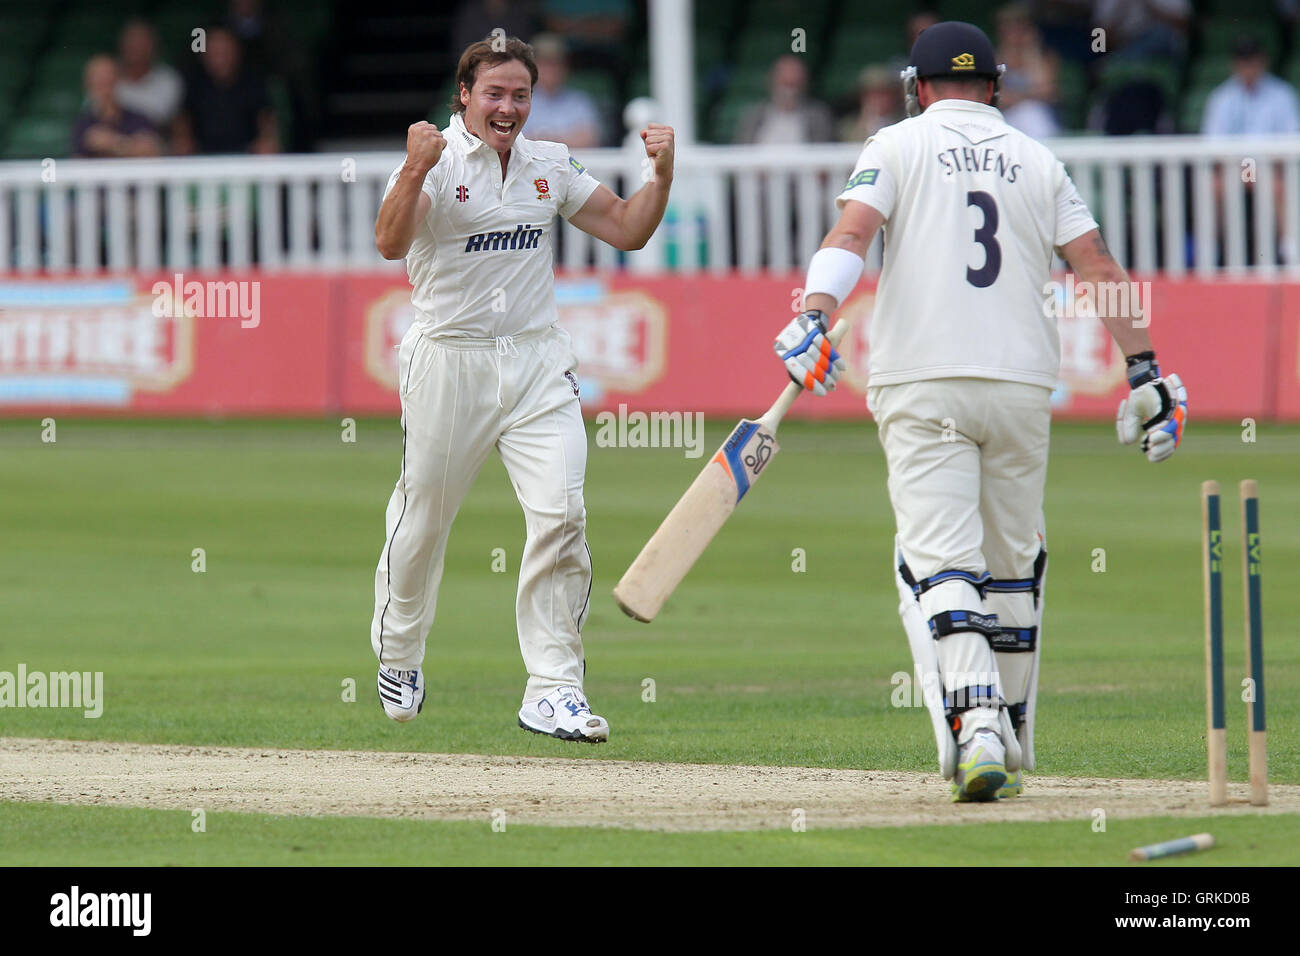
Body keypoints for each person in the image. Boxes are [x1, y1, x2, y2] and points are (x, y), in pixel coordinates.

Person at [772, 22, 1186, 801]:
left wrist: (814, 314)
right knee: (1011, 564)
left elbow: (852, 233)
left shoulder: (894, 145)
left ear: (917, 87)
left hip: (923, 379)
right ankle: (1015, 726)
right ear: (994, 86)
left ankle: (979, 728)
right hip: (1023, 383)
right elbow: (1095, 265)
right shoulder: (1037, 157)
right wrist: (1146, 372)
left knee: (939, 562)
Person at [371, 37, 674, 741]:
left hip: (538, 363)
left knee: (562, 514)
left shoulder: (549, 163)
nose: (508, 107)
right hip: (451, 360)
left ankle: (553, 688)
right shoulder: (436, 163)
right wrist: (416, 168)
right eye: (494, 94)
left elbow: (627, 228)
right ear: (465, 98)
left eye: (520, 95)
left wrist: (661, 175)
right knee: (425, 521)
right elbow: (389, 242)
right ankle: (399, 650)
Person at [172, 26, 278, 155]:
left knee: (267, 149)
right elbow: (183, 118)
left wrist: (266, 139)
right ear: (204, 55)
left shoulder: (253, 81)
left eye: (224, 51)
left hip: (247, 151)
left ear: (236, 51)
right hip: (202, 151)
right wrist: (183, 139)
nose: (219, 57)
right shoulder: (194, 81)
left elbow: (266, 118)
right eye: (214, 51)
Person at [71, 55, 163, 159]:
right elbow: (79, 163)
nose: (104, 86)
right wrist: (131, 146)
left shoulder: (139, 118)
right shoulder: (83, 124)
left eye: (108, 79)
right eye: (99, 81)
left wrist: (114, 143)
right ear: (88, 84)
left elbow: (152, 151)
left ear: (118, 80)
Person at [522, 33, 603, 148]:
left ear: (565, 66)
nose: (550, 69)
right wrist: (563, 140)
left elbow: (590, 139)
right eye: (544, 63)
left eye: (555, 63)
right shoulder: (519, 100)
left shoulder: (580, 101)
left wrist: (542, 140)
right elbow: (514, 141)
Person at [734, 55, 835, 145]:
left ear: (804, 83)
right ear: (772, 81)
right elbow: (740, 150)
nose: (789, 90)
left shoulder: (818, 116)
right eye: (784, 82)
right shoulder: (753, 115)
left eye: (794, 83)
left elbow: (824, 153)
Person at [114, 19, 183, 131]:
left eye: (141, 42)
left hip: (156, 142)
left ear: (153, 46)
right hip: (113, 144)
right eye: (131, 41)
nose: (136, 47)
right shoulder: (107, 77)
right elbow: (93, 117)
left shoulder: (169, 79)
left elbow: (170, 122)